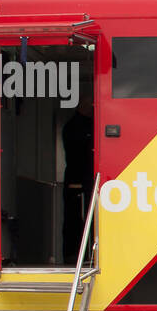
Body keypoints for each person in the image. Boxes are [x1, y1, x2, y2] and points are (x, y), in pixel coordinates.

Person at [61, 94, 94, 264]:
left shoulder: (78, 125)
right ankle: (76, 254)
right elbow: (79, 156)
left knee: (81, 217)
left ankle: (82, 254)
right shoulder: (75, 127)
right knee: (76, 218)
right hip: (79, 179)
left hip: (83, 178)